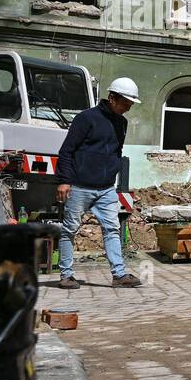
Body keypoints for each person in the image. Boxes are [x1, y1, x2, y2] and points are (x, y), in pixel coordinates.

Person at [54, 77, 143, 289]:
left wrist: (113, 172)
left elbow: (116, 152)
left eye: (130, 104)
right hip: (79, 186)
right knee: (70, 230)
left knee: (112, 229)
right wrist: (64, 181)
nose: (128, 108)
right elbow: (67, 151)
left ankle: (119, 275)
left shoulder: (122, 123)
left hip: (106, 189)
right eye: (125, 103)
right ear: (112, 98)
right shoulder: (86, 119)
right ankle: (66, 275)